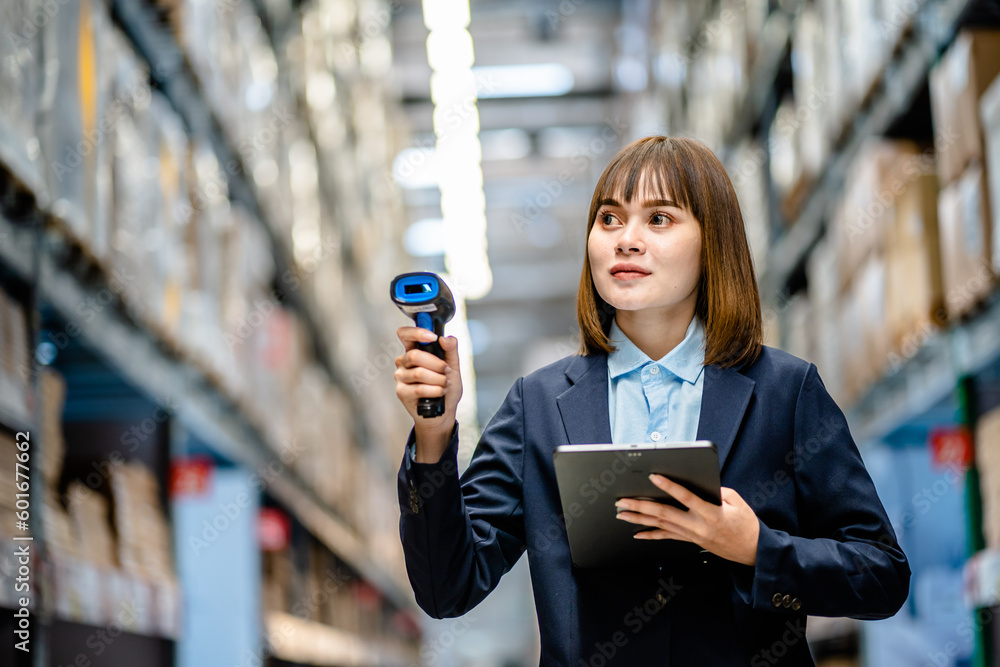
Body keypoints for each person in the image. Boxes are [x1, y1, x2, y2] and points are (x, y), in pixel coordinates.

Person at [393, 136, 910, 666]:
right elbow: (447, 589)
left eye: (659, 219)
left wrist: (756, 547)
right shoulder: (538, 406)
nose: (626, 240)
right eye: (610, 219)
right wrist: (433, 438)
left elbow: (881, 576)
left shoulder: (786, 392)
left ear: (713, 242)